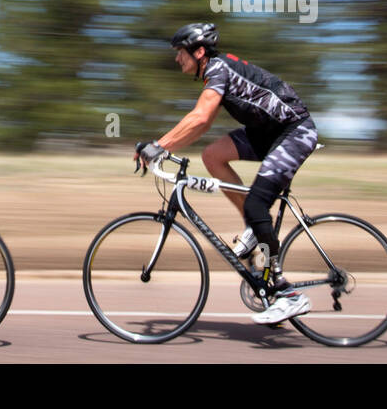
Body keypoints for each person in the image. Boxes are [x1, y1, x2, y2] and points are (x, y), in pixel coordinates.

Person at [135, 22, 319, 325]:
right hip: (268, 132)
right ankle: (254, 231)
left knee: (258, 205)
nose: (176, 59)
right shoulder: (217, 69)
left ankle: (288, 295)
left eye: (180, 53)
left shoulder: (217, 70)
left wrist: (158, 146)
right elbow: (202, 125)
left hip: (294, 131)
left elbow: (202, 118)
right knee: (212, 155)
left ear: (199, 52)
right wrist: (163, 147)